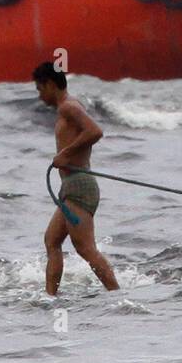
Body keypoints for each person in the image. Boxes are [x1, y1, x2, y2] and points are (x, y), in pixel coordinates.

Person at [34, 62, 119, 295]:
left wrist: (65, 154)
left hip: (80, 186)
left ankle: (117, 293)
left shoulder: (68, 107)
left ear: (51, 84)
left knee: (85, 248)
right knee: (52, 241)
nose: (40, 96)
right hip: (70, 187)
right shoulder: (70, 106)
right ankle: (51, 297)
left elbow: (95, 131)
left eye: (40, 89)